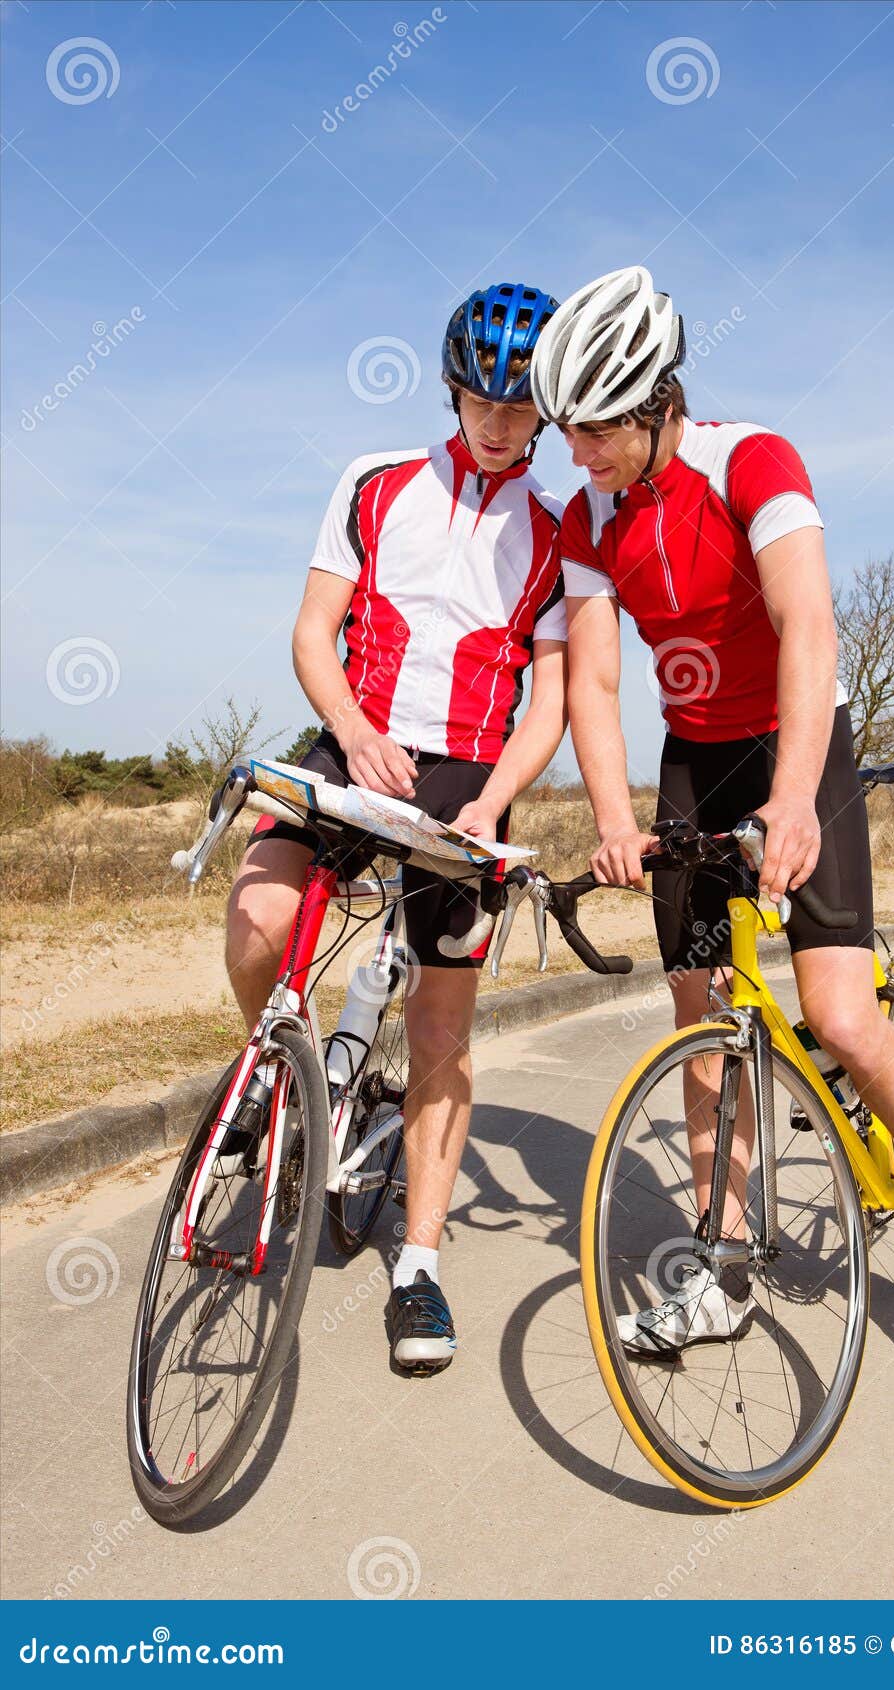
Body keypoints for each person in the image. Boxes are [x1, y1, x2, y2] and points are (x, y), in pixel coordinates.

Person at [531, 265, 894, 1346]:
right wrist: (612, 819)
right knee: (702, 1022)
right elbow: (593, 682)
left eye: (595, 429)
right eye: (569, 432)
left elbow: (809, 626)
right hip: (699, 755)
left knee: (836, 1011)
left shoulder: (752, 460)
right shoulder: (591, 521)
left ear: (655, 403)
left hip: (800, 736)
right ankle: (723, 1271)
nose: (578, 454)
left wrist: (794, 803)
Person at [225, 282, 567, 1374]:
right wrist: (353, 729)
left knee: (437, 1028)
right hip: (354, 736)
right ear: (453, 388)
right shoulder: (376, 483)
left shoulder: (563, 535)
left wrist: (491, 795)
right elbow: (314, 630)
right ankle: (272, 1076)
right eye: (484, 400)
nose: (500, 424)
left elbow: (552, 697)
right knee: (260, 919)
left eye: (523, 409)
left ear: (548, 415)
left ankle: (418, 1264)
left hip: (471, 774)